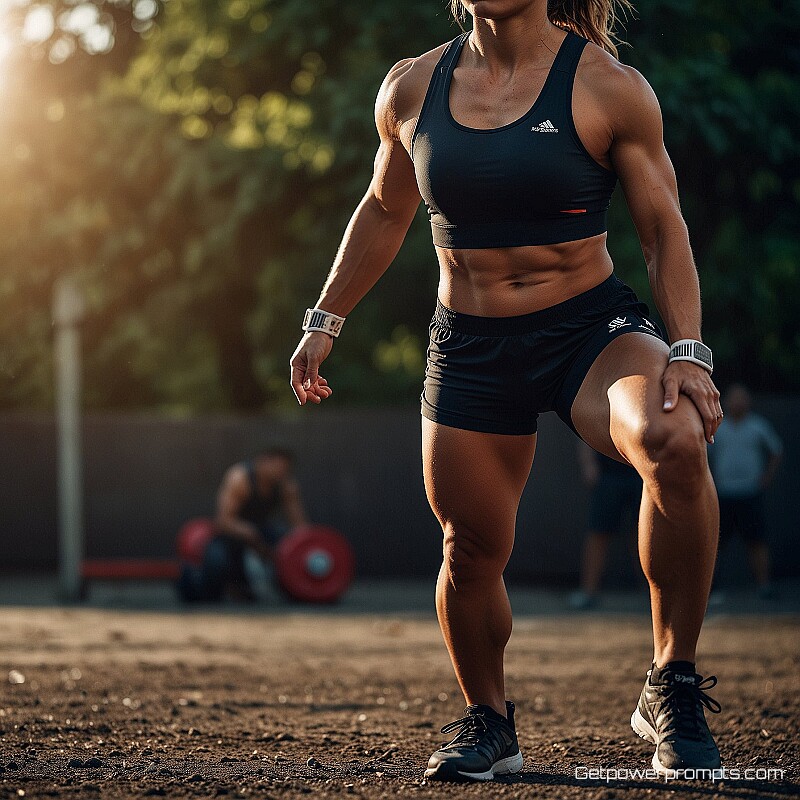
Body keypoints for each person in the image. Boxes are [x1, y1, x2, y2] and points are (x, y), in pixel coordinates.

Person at [290, 0, 724, 782]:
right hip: (472, 344)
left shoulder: (606, 85)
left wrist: (688, 352)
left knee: (675, 436)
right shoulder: (411, 87)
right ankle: (490, 720)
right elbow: (386, 207)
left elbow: (663, 230)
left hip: (590, 332)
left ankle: (673, 684)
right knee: (470, 547)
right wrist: (326, 318)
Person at [180, 448, 308, 602]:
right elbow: (223, 521)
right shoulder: (239, 478)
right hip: (231, 534)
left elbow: (301, 529)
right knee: (216, 563)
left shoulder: (287, 486)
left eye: (285, 469)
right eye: (278, 467)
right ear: (263, 462)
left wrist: (296, 553)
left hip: (262, 530)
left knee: (285, 540)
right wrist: (251, 536)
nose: (281, 472)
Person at [710, 384, 782, 599]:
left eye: (742, 398)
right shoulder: (717, 426)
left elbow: (776, 451)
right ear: (726, 401)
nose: (738, 402)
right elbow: (703, 454)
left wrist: (767, 477)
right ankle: (710, 591)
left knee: (757, 541)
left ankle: (764, 586)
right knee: (714, 544)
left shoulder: (758, 426)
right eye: (734, 398)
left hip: (751, 494)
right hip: (723, 495)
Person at [569, 443, 642, 609]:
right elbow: (584, 425)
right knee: (599, 532)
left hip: (642, 470)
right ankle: (588, 591)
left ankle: (655, 594)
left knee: (644, 533)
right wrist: (588, 463)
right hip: (608, 473)